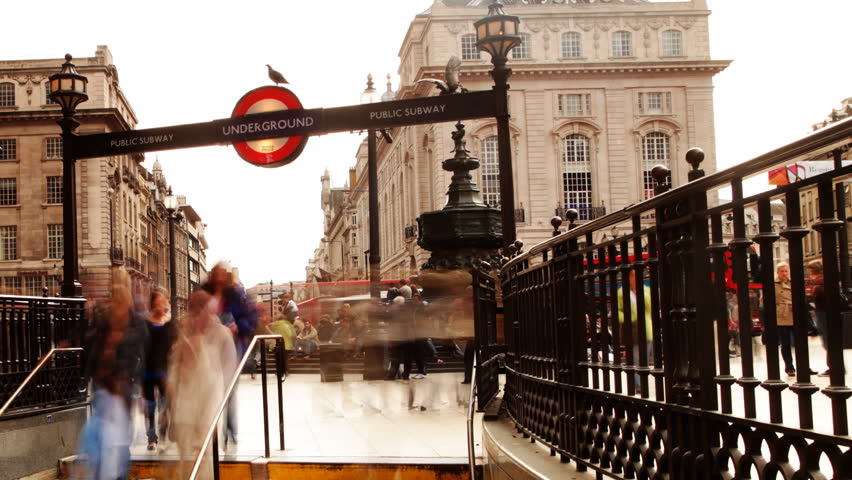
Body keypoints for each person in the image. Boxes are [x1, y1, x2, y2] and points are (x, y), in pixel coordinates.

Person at [80, 270, 147, 480]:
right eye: (114, 298)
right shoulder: (104, 321)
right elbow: (90, 346)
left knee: (119, 437)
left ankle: (118, 475)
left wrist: (138, 383)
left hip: (122, 386)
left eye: (120, 299)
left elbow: (140, 354)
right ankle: (102, 471)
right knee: (101, 435)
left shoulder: (136, 323)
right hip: (102, 383)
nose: (117, 303)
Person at [168, 291, 237, 480]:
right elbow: (176, 366)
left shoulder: (221, 333)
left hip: (209, 403)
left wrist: (223, 397)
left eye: (201, 308)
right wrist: (172, 387)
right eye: (194, 308)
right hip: (186, 404)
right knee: (186, 458)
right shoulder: (184, 334)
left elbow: (229, 367)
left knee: (203, 454)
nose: (197, 313)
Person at [201, 263, 256, 447]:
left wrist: (238, 327)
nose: (219, 277)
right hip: (208, 344)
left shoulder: (237, 295)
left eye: (222, 274)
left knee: (229, 389)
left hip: (231, 343)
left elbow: (250, 318)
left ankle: (230, 430)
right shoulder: (204, 292)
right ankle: (210, 429)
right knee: (209, 388)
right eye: (216, 274)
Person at [143, 289, 177, 451]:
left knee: (166, 406)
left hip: (164, 371)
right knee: (150, 407)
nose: (159, 306)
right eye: (156, 303)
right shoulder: (145, 324)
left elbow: (174, 347)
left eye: (162, 302)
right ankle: (151, 438)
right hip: (147, 371)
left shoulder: (170, 324)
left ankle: (163, 436)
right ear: (151, 305)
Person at [616, 270, 653, 385]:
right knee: (636, 358)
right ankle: (639, 385)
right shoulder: (621, 293)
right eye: (632, 275)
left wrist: (641, 295)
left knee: (644, 359)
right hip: (631, 328)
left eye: (636, 275)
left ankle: (641, 383)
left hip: (646, 328)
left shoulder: (646, 291)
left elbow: (651, 308)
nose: (635, 278)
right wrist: (628, 317)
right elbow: (617, 311)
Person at [807, 260, 832, 376]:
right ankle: (833, 365)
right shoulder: (822, 280)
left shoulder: (819, 282)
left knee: (828, 340)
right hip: (822, 312)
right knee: (828, 339)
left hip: (823, 312)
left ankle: (833, 366)